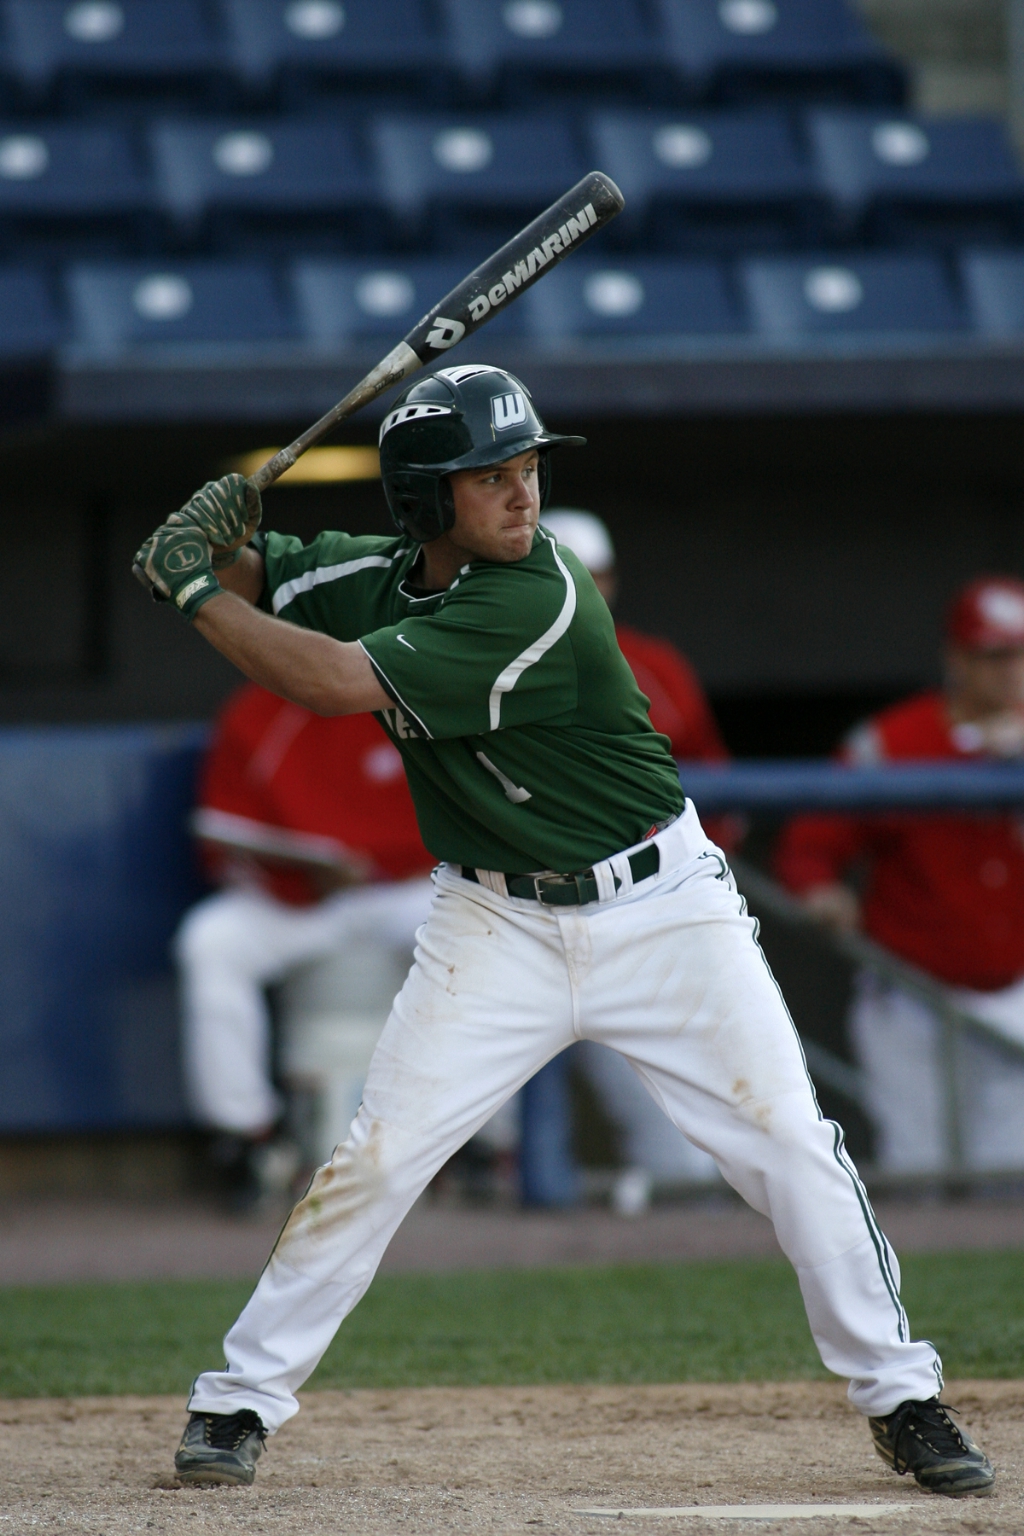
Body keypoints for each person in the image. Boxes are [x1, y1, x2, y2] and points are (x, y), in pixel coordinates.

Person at [133, 363, 992, 1499]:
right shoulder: (376, 569)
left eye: (528, 467)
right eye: (492, 476)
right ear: (426, 504)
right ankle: (237, 1403)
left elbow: (334, 682)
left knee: (787, 1139)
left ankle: (904, 1399)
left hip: (662, 910)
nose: (522, 494)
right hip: (492, 921)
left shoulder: (535, 597)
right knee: (377, 1158)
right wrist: (213, 541)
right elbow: (274, 578)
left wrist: (191, 593)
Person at [776, 576, 1024, 1175]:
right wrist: (822, 889)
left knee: (1012, 1180)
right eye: (994, 656)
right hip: (911, 996)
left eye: (1020, 653)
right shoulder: (892, 740)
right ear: (956, 659)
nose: (1011, 671)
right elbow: (808, 844)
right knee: (921, 1171)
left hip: (1016, 992)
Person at [175, 684, 436, 1208]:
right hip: (303, 901)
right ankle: (245, 1137)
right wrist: (301, 878)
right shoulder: (258, 713)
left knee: (492, 939)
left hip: (410, 891)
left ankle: (486, 1142)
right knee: (211, 941)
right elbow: (224, 845)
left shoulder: (423, 690)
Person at [542, 509, 731, 1207]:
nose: (580, 590)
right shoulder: (481, 659)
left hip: (652, 908)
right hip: (522, 912)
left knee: (684, 1142)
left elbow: (717, 784)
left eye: (592, 576)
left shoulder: (656, 667)